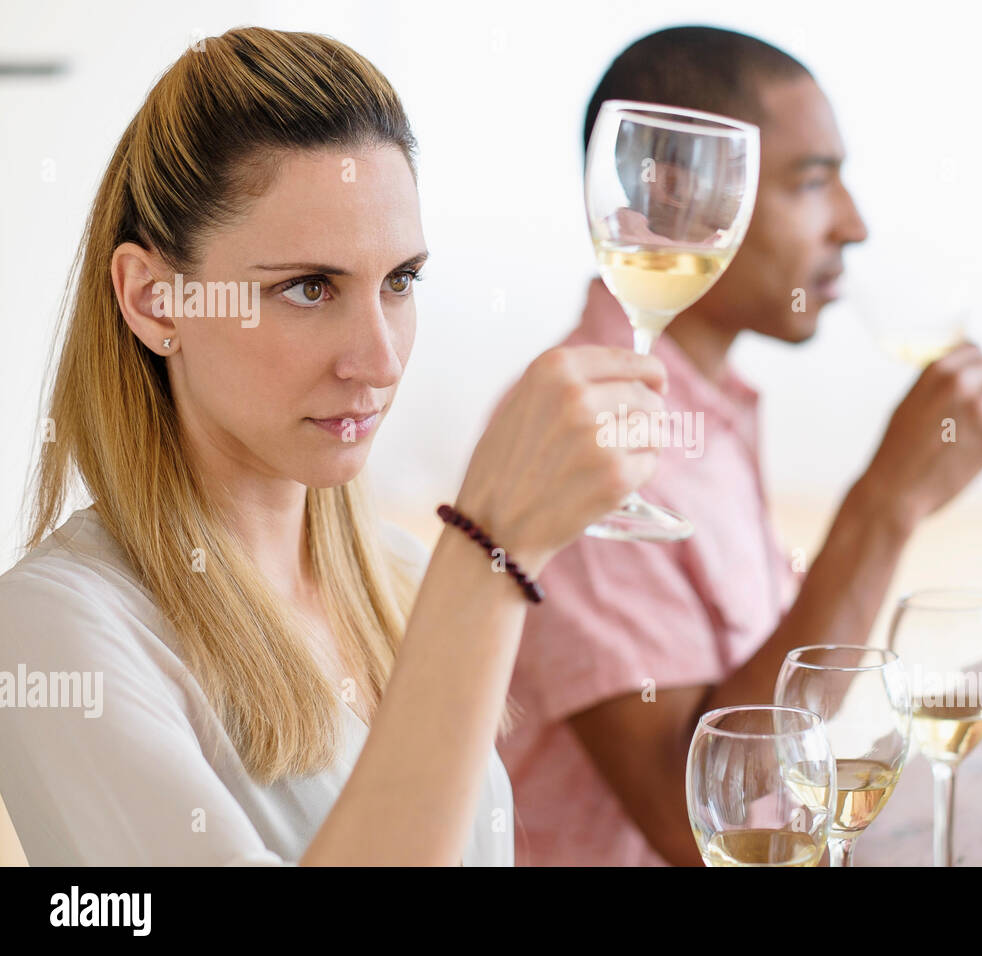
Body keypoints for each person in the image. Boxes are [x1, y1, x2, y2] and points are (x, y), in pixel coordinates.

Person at [0, 26, 667, 866]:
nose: (380, 360)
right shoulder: (56, 628)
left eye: (400, 281)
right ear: (154, 301)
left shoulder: (400, 579)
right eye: (309, 288)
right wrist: (490, 555)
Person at [498, 26, 982, 866]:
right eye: (812, 182)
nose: (853, 226)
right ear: (676, 198)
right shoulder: (586, 440)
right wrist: (887, 504)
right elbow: (694, 826)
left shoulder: (708, 405)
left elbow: (779, 729)